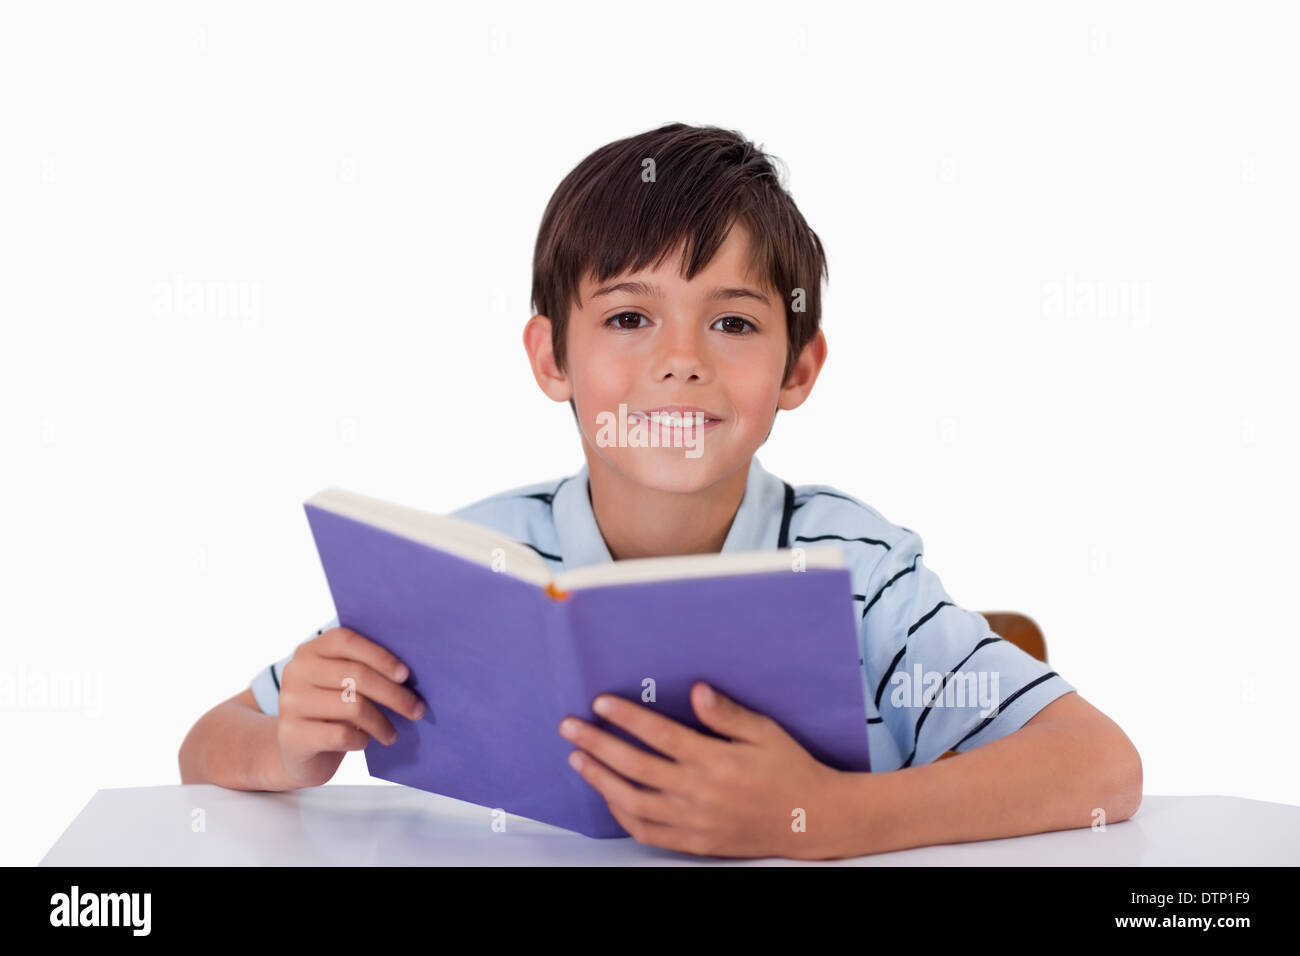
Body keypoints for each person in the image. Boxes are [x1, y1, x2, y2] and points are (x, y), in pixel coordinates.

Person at [179, 122, 1141, 860]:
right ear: (552, 356)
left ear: (798, 370)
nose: (680, 364)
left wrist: (818, 817)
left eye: (731, 323)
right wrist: (288, 750)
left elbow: (1102, 767)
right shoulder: (466, 565)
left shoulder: (860, 567)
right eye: (631, 315)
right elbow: (209, 743)